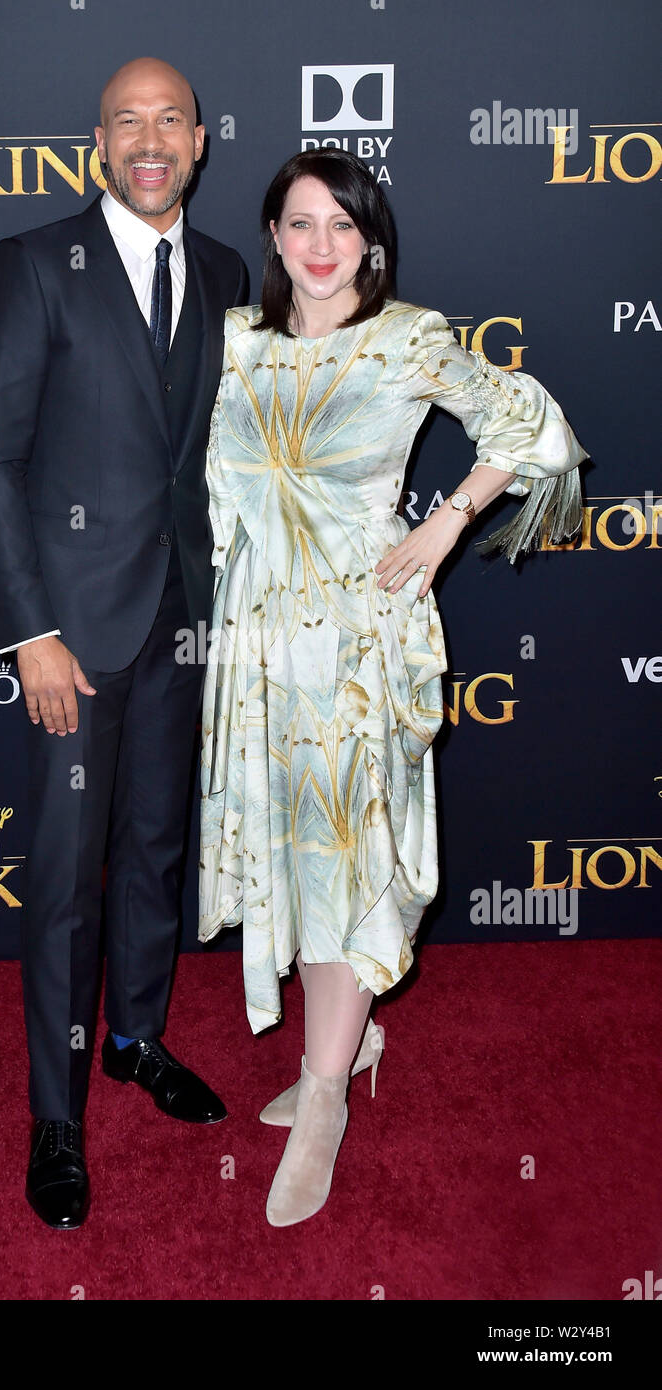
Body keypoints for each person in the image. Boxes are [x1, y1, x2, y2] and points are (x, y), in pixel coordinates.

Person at [199, 148, 587, 1227]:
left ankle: (324, 1092)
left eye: (340, 225)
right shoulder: (232, 343)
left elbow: (529, 425)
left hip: (360, 649)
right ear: (271, 238)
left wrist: (448, 517)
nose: (319, 246)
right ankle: (347, 1037)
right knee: (298, 856)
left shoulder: (408, 338)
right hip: (259, 646)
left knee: (346, 857)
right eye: (297, 224)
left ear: (369, 240)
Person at [0, 57, 248, 1230]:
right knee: (64, 886)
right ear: (98, 146)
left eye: (168, 121)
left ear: (197, 142)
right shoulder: (35, 267)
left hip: (184, 624)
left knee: (153, 854)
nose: (149, 141)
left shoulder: (229, 271)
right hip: (72, 640)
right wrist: (29, 630)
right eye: (126, 122)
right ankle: (56, 1115)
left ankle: (134, 1039)